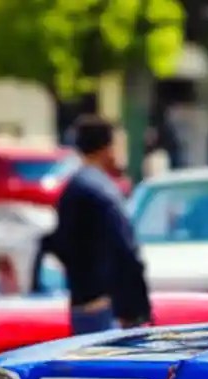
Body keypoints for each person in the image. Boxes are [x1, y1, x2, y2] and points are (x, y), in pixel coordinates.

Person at [48, 115, 150, 334]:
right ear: (107, 148)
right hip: (105, 309)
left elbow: (61, 243)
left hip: (82, 303)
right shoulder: (103, 190)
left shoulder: (74, 187)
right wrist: (136, 310)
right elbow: (125, 250)